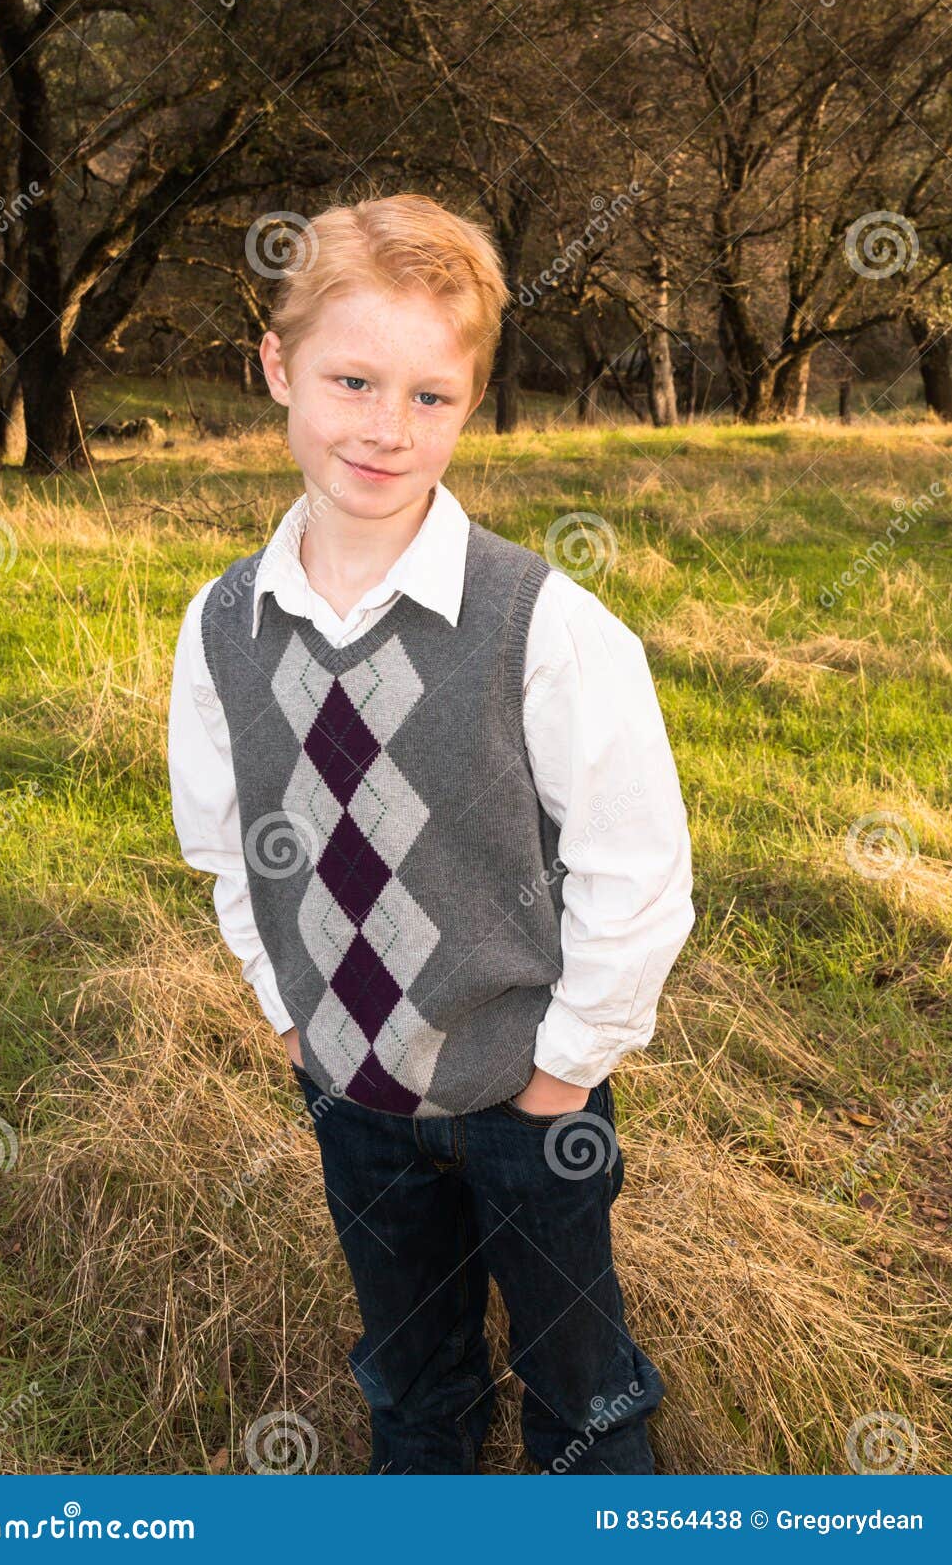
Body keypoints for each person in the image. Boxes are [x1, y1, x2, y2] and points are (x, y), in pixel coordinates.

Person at [167, 192, 695, 1475]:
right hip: (351, 1096)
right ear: (278, 368)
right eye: (353, 380)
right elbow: (226, 844)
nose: (385, 429)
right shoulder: (225, 624)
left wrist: (565, 1071)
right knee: (412, 1379)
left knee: (583, 1389)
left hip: (529, 1097)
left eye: (429, 397)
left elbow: (638, 870)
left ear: (469, 403)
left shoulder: (544, 623)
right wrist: (289, 1014)